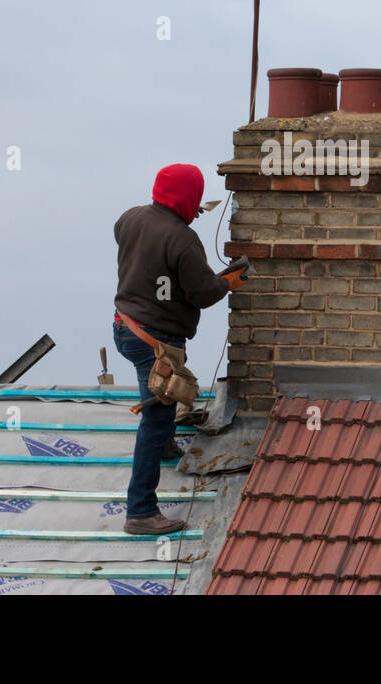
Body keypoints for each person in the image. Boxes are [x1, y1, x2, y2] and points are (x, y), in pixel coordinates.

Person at [112, 163, 247, 535]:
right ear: (189, 196)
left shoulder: (130, 219)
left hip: (125, 328)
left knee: (161, 400)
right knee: (154, 417)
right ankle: (140, 511)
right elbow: (203, 294)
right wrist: (228, 282)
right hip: (156, 341)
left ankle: (167, 444)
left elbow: (163, 274)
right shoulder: (182, 238)